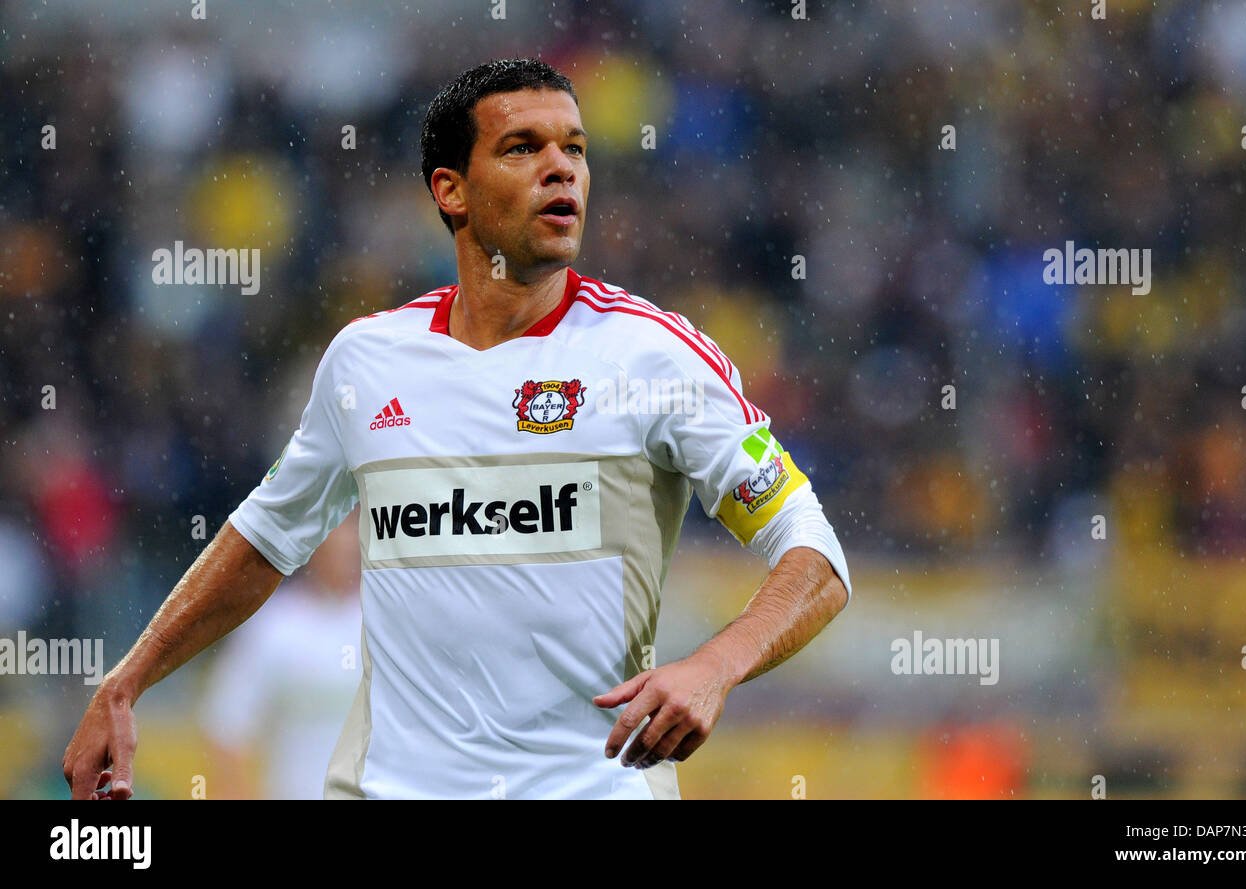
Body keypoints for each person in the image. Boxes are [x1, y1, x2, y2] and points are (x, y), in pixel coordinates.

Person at [63, 58, 852, 800]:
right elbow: (266, 539)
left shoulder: (653, 356)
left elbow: (815, 551)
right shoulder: (365, 362)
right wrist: (126, 679)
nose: (562, 167)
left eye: (574, 147)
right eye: (522, 147)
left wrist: (716, 664)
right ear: (452, 191)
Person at [199, 509, 362, 799]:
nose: (346, 546)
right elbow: (228, 729)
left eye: (352, 531)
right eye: (335, 533)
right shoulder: (272, 626)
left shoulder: (388, 622)